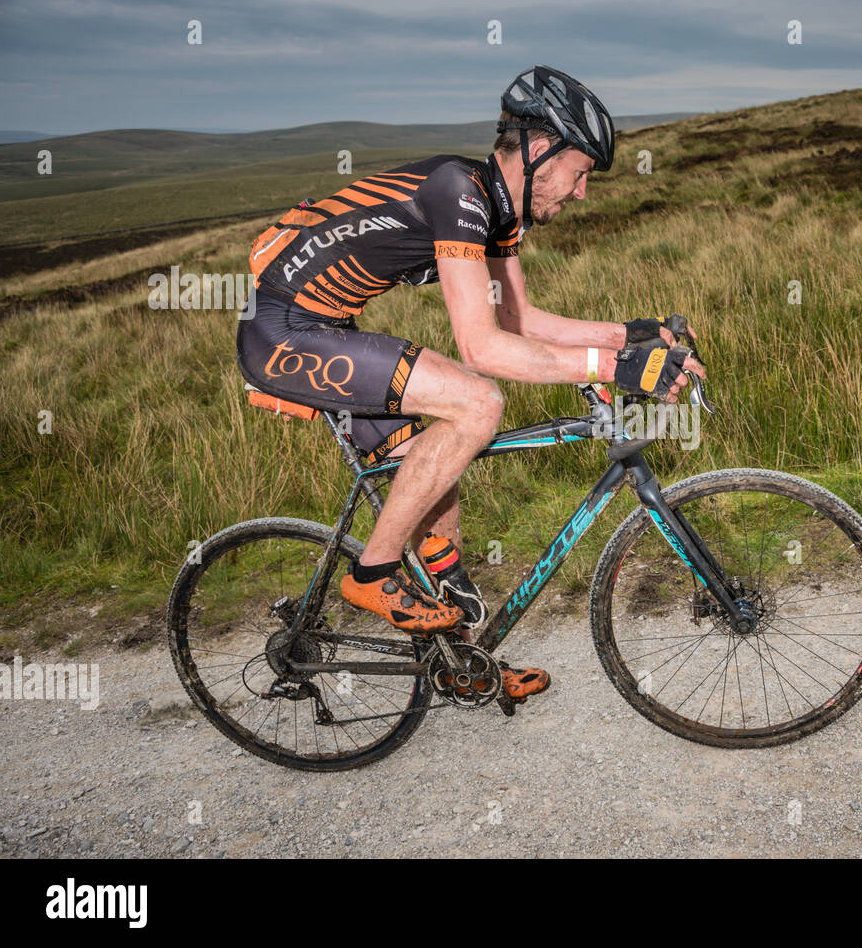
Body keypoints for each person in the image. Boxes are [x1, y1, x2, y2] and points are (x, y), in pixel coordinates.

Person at [236, 66, 705, 702]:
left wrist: (632, 337)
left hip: (327, 329)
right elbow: (482, 347)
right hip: (285, 333)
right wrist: (613, 369)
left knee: (438, 492)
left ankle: (461, 663)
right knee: (477, 401)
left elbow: (522, 321)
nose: (583, 191)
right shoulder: (460, 192)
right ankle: (371, 574)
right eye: (583, 170)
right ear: (540, 149)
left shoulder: (499, 210)